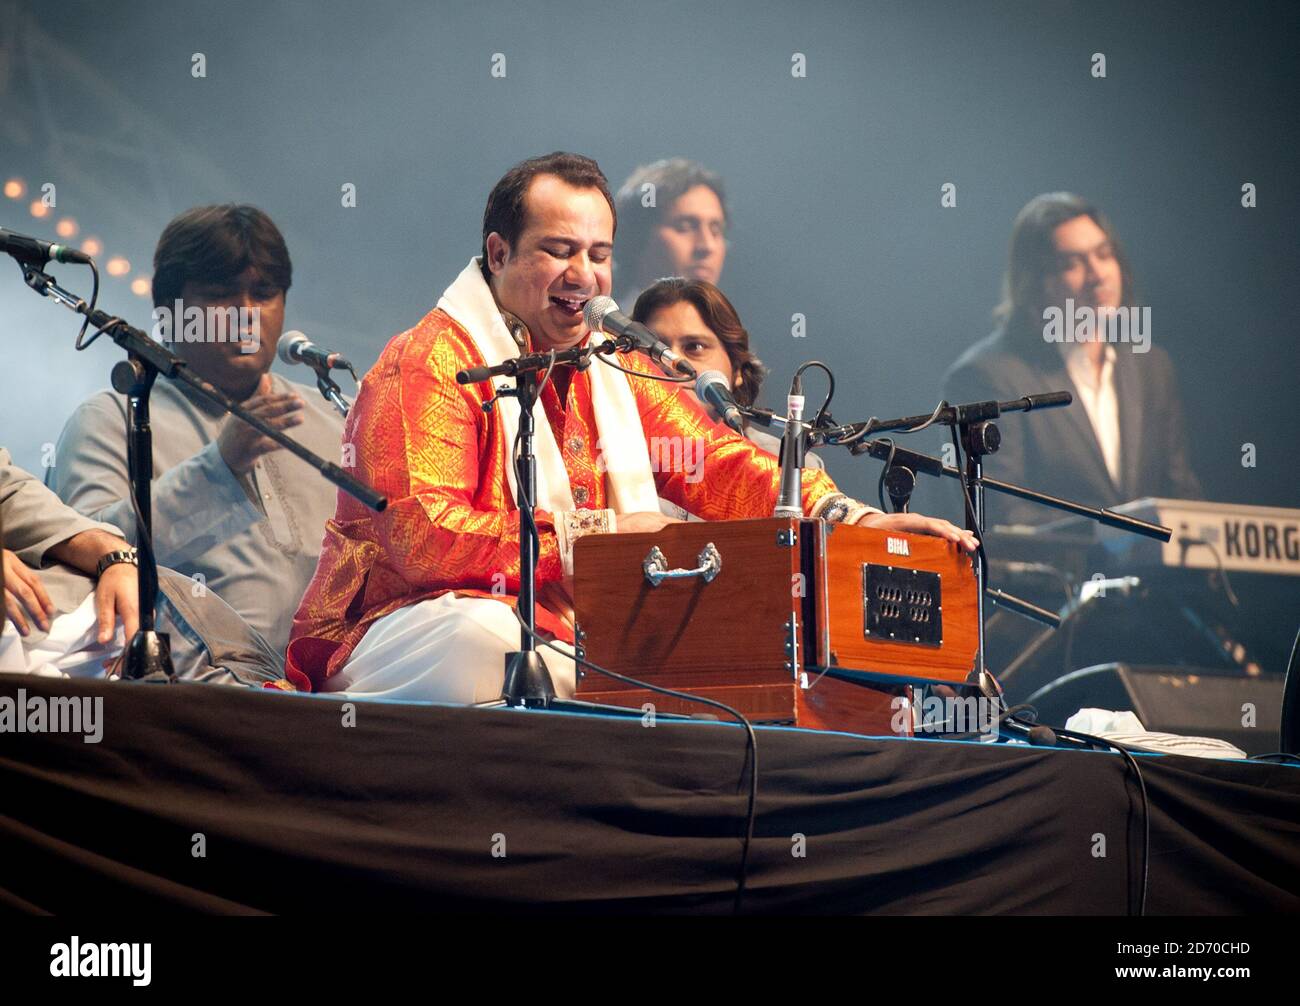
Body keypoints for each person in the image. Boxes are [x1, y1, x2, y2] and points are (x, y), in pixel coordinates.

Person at [285, 151, 976, 703]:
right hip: (399, 624)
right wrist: (598, 542)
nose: (584, 275)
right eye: (560, 250)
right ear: (498, 255)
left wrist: (848, 517)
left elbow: (718, 462)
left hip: (573, 621)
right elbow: (424, 540)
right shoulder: (430, 364)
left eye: (599, 253)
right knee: (484, 639)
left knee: (702, 629)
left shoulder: (609, 360)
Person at [49, 205, 345, 655]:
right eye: (221, 294)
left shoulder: (330, 419)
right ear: (169, 312)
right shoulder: (112, 420)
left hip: (334, 697)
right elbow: (81, 559)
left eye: (264, 293)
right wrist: (218, 467)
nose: (247, 314)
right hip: (180, 700)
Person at [942, 192, 1202, 526]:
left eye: (1104, 255)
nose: (1098, 275)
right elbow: (1000, 514)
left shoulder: (1151, 367)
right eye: (1072, 263)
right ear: (1034, 283)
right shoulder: (987, 375)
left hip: (1153, 578)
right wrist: (1111, 541)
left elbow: (1179, 490)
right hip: (1053, 577)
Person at [2, 447, 281, 684]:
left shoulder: (317, 411)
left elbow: (10, 493)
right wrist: (223, 462)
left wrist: (116, 556)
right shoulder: (106, 412)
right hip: (48, 639)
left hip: (113, 633)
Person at [631, 277, 823, 521]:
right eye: (653, 349)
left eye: (695, 347)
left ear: (739, 370)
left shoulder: (791, 466)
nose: (671, 364)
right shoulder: (609, 456)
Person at [613, 158, 728, 308]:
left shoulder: (723, 329)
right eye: (685, 227)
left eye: (715, 230)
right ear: (637, 236)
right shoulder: (599, 329)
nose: (707, 246)